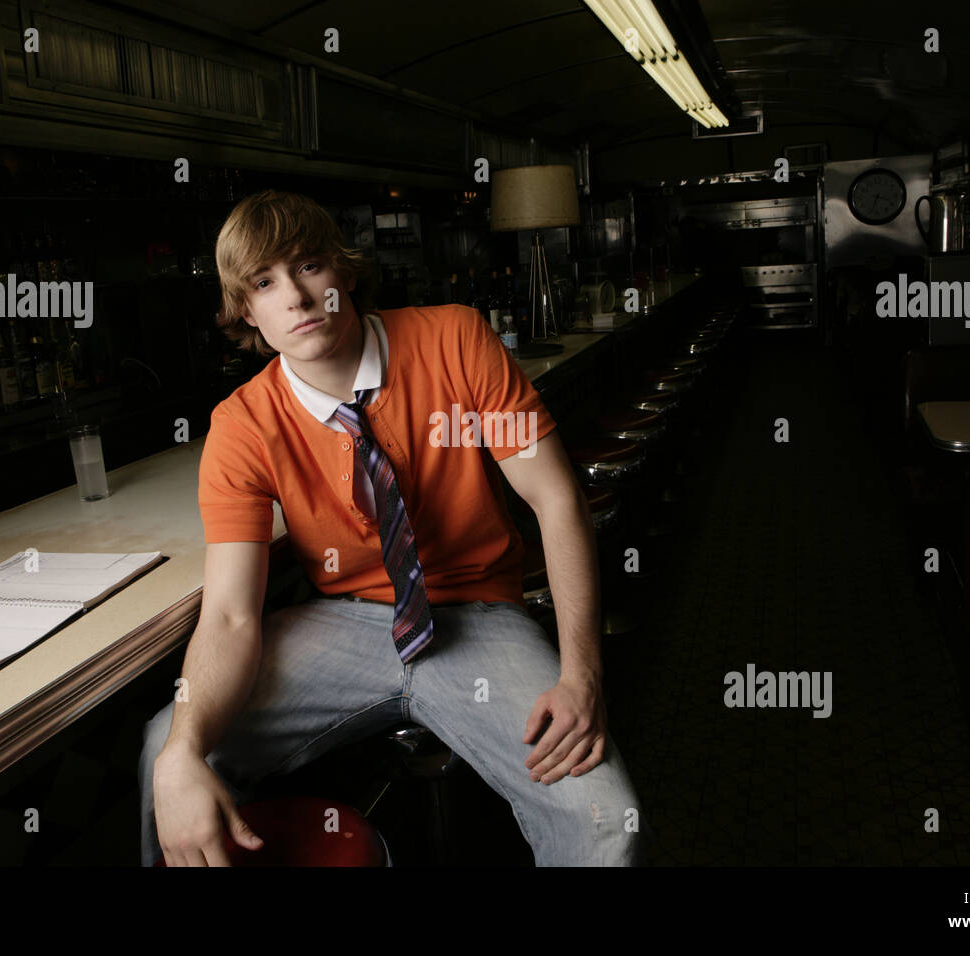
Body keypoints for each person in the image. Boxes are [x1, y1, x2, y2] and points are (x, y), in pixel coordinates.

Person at [139, 189, 645, 866]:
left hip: (476, 618)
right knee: (164, 758)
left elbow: (555, 499)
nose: (294, 295)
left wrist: (584, 674)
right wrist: (181, 751)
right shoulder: (240, 425)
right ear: (246, 313)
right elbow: (231, 616)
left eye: (308, 266)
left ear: (343, 273)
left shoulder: (457, 338)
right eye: (264, 282)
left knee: (609, 820)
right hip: (343, 626)